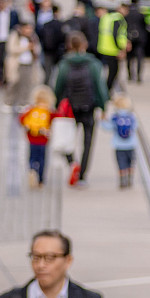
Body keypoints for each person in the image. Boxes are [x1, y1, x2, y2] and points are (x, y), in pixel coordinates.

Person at [53, 30, 109, 186]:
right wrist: (103, 106)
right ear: (84, 44)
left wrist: (57, 105)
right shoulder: (94, 64)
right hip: (88, 107)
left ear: (68, 45)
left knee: (66, 139)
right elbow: (100, 87)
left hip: (69, 109)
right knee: (88, 142)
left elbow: (58, 87)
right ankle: (82, 175)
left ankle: (72, 163)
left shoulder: (64, 64)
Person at [19, 86, 54, 188]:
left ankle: (32, 169)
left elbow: (21, 119)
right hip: (43, 141)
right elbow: (57, 116)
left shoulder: (31, 110)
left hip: (32, 139)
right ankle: (40, 180)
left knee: (32, 157)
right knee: (42, 159)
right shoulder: (48, 112)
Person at [108, 92, 139, 191]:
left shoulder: (115, 117)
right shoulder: (132, 116)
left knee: (121, 163)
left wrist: (101, 121)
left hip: (118, 145)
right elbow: (135, 127)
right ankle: (130, 179)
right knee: (131, 163)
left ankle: (122, 181)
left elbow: (108, 127)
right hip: (131, 144)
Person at [97, 0, 128, 92]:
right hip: (113, 50)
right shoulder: (118, 18)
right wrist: (120, 49)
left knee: (110, 72)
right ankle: (107, 91)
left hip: (104, 48)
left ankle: (107, 90)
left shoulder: (106, 17)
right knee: (113, 73)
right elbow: (116, 35)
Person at [123, 1, 149, 85]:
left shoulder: (126, 15)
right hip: (140, 38)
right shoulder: (141, 14)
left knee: (129, 58)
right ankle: (138, 76)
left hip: (129, 37)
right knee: (139, 58)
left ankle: (130, 75)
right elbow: (145, 25)